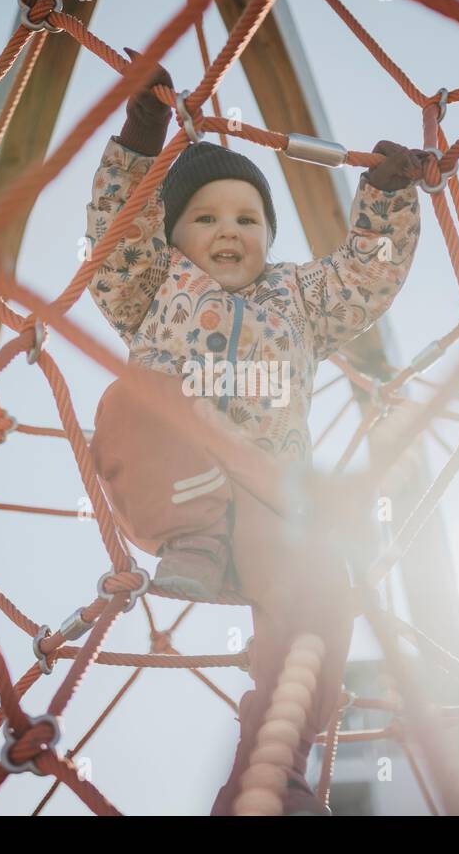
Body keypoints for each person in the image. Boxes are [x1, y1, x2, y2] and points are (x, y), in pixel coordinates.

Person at [85, 49, 431, 814]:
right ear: (173, 235)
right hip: (174, 486)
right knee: (127, 401)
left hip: (272, 498)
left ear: (269, 235)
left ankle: (276, 771)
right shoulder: (154, 286)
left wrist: (385, 196)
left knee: (320, 604)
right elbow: (115, 237)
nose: (228, 231)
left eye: (247, 217)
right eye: (204, 219)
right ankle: (196, 541)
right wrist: (142, 136)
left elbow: (363, 279)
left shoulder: (297, 296)